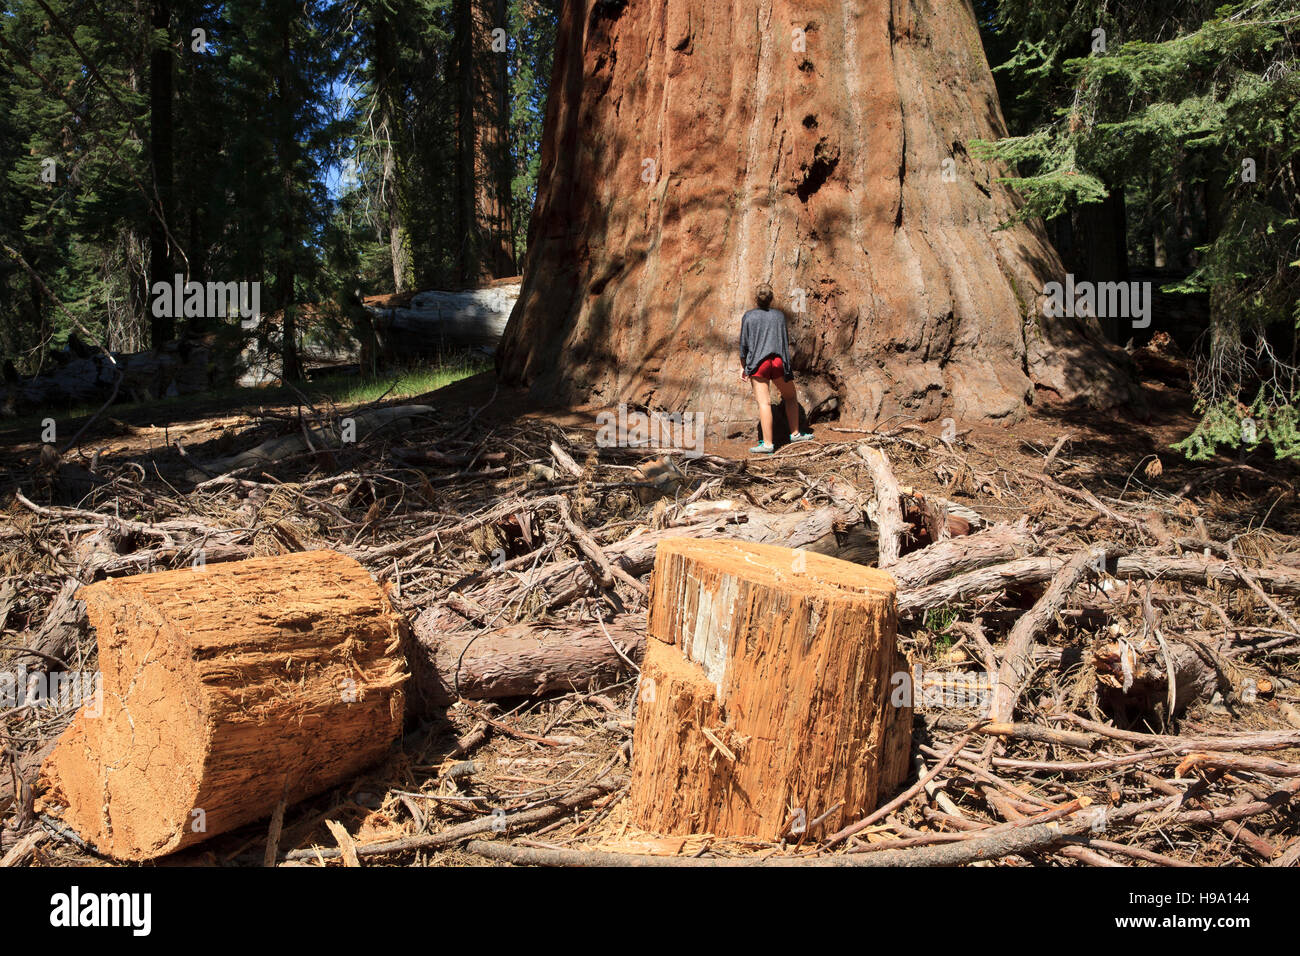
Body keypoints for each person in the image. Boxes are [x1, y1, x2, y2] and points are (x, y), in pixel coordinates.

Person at [739, 283, 815, 454]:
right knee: (790, 397)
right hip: (779, 362)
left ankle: (767, 444)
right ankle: (795, 433)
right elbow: (783, 340)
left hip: (759, 365)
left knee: (764, 403)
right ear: (771, 299)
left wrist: (744, 366)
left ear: (755, 299)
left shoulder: (749, 317)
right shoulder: (779, 316)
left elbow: (743, 345)